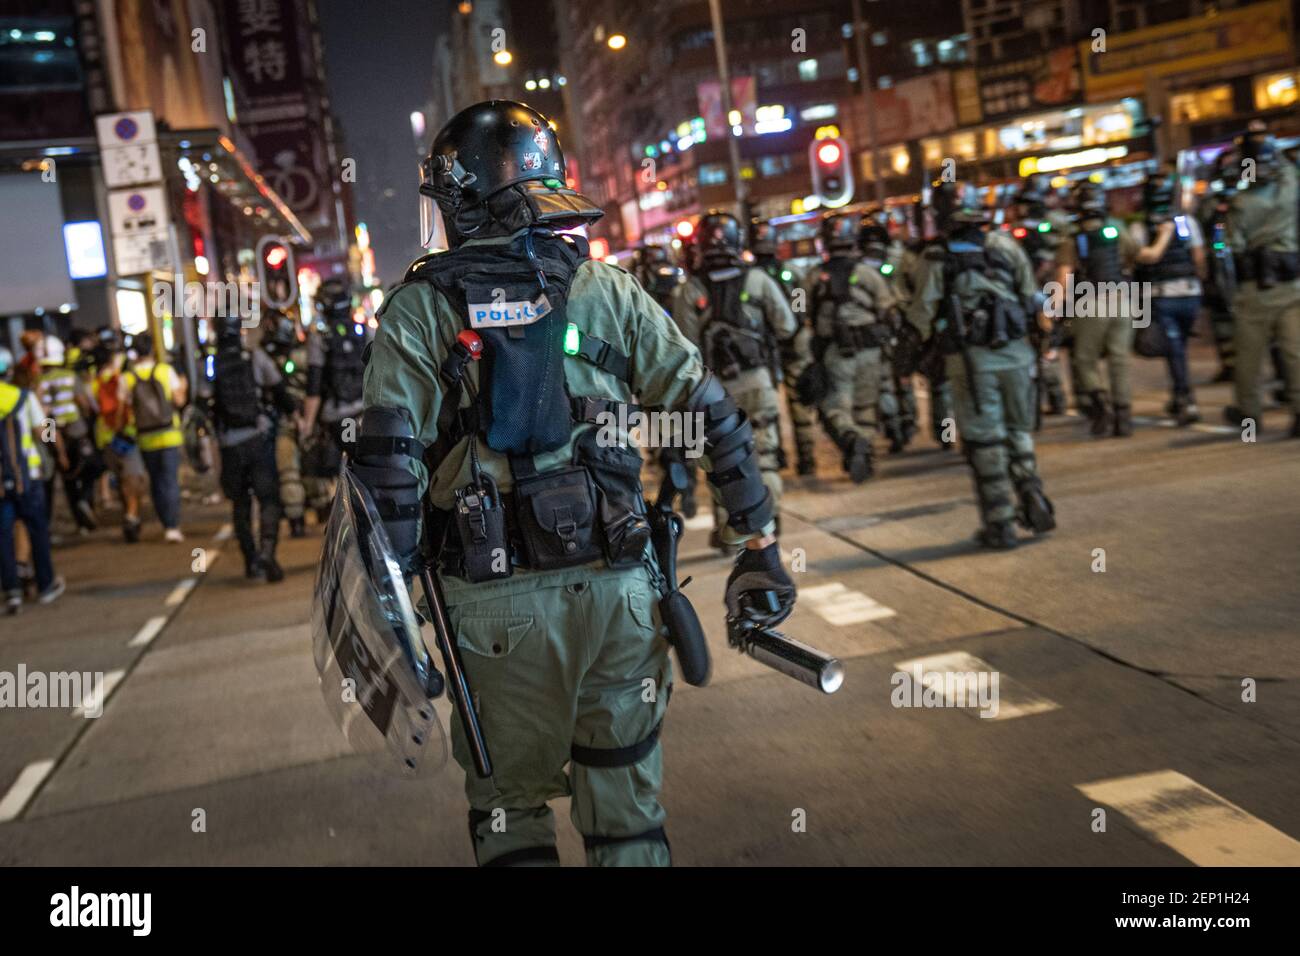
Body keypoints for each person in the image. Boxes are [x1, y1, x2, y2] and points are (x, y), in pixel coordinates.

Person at [356, 99, 795, 866]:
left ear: (458, 201)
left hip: (494, 617)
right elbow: (713, 418)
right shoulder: (610, 292)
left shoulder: (419, 311)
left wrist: (388, 615)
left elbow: (388, 476)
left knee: (509, 815)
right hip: (623, 592)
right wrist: (757, 545)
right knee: (627, 814)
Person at [904, 182, 1055, 549]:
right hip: (1016, 355)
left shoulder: (936, 257)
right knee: (1018, 431)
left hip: (973, 362)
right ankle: (1031, 490)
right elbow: (1032, 298)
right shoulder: (1005, 245)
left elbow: (923, 312)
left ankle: (1000, 522)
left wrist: (909, 352)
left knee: (985, 441)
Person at [672, 210, 804, 543]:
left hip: (713, 393)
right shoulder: (758, 280)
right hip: (758, 383)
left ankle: (730, 532)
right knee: (767, 458)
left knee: (722, 463)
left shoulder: (690, 290)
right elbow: (787, 326)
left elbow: (683, 349)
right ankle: (767, 521)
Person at [803, 213, 897, 482]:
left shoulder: (813, 276)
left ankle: (850, 438)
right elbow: (888, 308)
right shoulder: (867, 272)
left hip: (836, 351)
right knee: (866, 406)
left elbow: (799, 311)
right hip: (870, 351)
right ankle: (864, 454)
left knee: (835, 407)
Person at [1224, 130, 1300, 436]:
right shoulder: (1288, 189)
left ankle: (1250, 420)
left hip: (1255, 290)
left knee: (1249, 360)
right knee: (1295, 354)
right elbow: (1286, 167)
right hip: (1292, 286)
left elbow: (1233, 247)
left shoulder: (1241, 203)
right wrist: (1266, 143)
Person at [209, 315, 294, 581]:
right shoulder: (253, 357)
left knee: (240, 503)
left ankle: (250, 559)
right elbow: (279, 389)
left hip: (229, 445)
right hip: (258, 440)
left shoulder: (211, 363)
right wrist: (294, 413)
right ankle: (268, 552)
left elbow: (202, 403)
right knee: (269, 499)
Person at [1056, 183, 1140, 437]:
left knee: (1085, 360)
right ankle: (1123, 417)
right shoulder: (1117, 231)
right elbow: (1139, 256)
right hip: (1122, 298)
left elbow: (1063, 279)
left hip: (1089, 302)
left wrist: (1051, 311)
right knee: (1120, 359)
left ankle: (1100, 407)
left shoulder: (1072, 239)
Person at [1133, 171, 1206, 426]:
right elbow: (1198, 258)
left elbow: (1141, 260)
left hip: (1162, 298)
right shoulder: (1185, 222)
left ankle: (1185, 398)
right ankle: (1181, 396)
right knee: (1179, 348)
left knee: (1175, 350)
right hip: (1189, 294)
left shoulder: (1141, 227)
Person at [750, 219, 818, 475]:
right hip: (792, 341)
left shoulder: (750, 276)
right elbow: (801, 306)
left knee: (769, 406)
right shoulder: (789, 272)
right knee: (798, 402)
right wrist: (798, 327)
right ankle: (807, 457)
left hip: (765, 347)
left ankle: (777, 453)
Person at [2, 357, 66, 613]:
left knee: (3, 536)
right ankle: (46, 585)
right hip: (28, 474)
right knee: (38, 530)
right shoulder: (23, 397)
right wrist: (51, 427)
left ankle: (12, 591)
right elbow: (44, 433)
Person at [300, 277, 368, 518]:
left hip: (336, 416)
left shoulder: (319, 338)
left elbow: (314, 386)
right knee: (362, 463)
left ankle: (348, 514)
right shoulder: (361, 331)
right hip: (364, 411)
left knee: (340, 468)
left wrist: (306, 425)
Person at [123, 332, 186, 541]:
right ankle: (172, 525)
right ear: (152, 349)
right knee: (170, 480)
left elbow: (123, 408)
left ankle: (164, 520)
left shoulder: (128, 377)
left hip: (145, 437)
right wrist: (183, 388)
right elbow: (179, 400)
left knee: (156, 481)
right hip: (169, 434)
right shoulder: (164, 371)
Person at [861, 221, 917, 453]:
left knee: (884, 383)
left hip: (877, 330)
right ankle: (909, 421)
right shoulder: (903, 257)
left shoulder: (860, 267)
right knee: (904, 378)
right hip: (903, 325)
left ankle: (894, 429)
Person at [36, 336, 99, 530]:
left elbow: (41, 414)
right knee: (91, 467)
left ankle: (80, 520)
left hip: (53, 433)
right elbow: (83, 402)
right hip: (76, 430)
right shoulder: (71, 376)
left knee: (68, 477)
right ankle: (85, 501)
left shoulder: (39, 383)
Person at [90, 329, 146, 542]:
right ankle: (131, 516)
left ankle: (129, 514)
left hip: (106, 438)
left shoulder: (95, 382)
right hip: (127, 435)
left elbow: (93, 408)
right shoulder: (123, 378)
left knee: (123, 480)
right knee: (134, 479)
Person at [261, 311, 310, 537]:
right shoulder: (303, 354)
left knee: (289, 472)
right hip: (306, 420)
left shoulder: (267, 357)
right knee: (308, 470)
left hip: (284, 422)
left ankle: (296, 521)